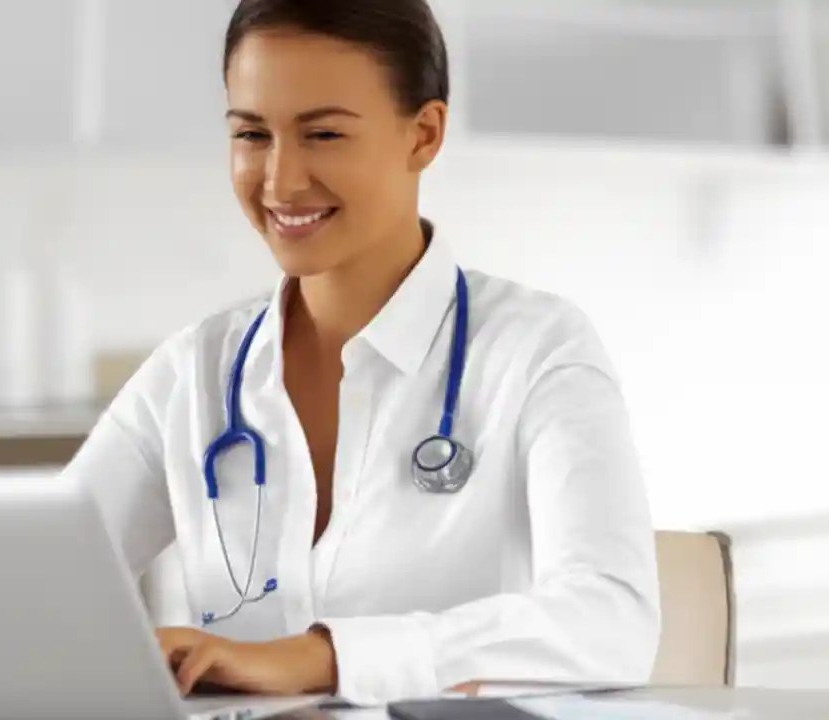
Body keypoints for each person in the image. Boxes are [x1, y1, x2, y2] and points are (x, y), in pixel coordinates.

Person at [60, 0, 660, 705]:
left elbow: (612, 621)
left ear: (424, 134)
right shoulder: (192, 374)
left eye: (323, 134)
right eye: (253, 133)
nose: (280, 181)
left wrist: (322, 659)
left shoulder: (537, 352)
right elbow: (36, 583)